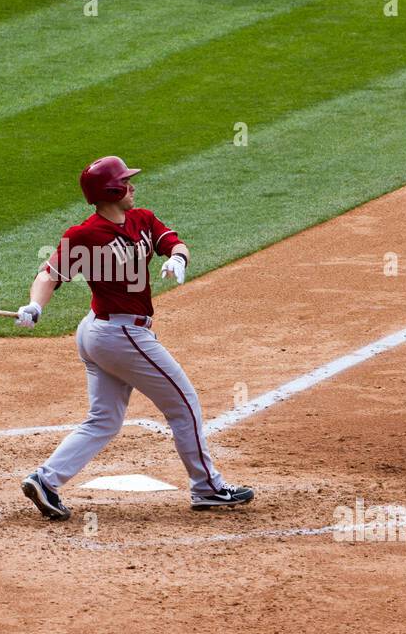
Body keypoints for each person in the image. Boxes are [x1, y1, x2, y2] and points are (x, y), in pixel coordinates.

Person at [16, 157, 254, 519]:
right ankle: (207, 488)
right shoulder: (85, 235)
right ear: (111, 190)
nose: (133, 186)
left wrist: (178, 260)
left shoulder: (142, 219)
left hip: (101, 333)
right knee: (184, 405)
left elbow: (176, 244)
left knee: (104, 420)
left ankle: (45, 480)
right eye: (126, 182)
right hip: (119, 334)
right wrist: (34, 306)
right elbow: (49, 276)